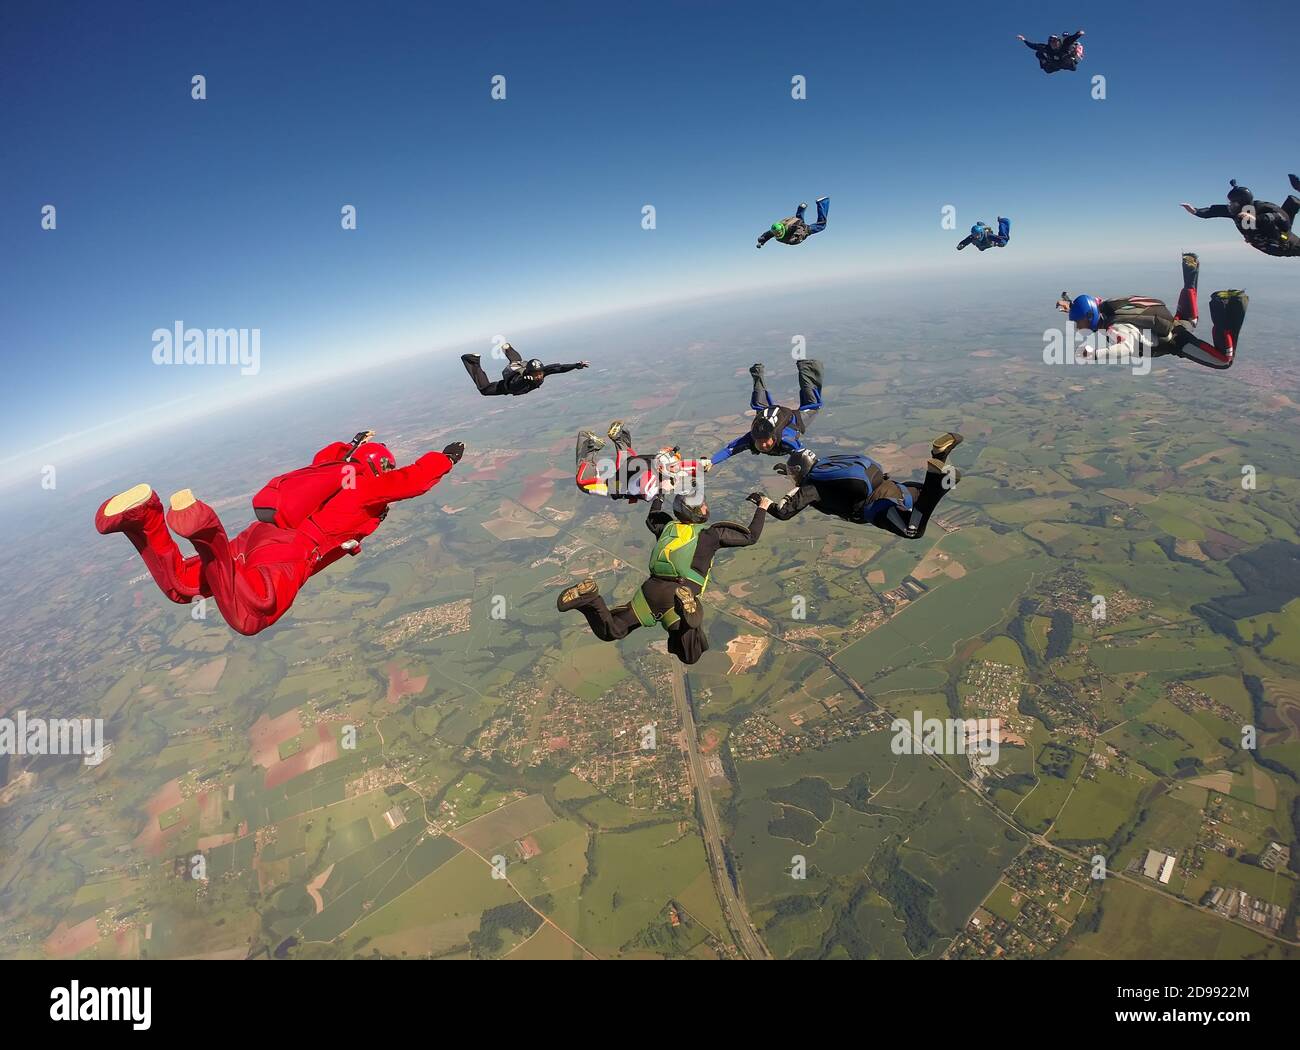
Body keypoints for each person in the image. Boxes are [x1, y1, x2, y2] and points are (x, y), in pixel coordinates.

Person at [94, 439, 465, 635]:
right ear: (379, 466)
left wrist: (348, 446)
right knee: (251, 615)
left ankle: (142, 518)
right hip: (291, 549)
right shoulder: (367, 486)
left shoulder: (331, 474)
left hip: (258, 535)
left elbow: (324, 459)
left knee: (182, 586)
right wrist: (444, 460)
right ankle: (205, 530)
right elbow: (411, 480)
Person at [556, 492, 768, 665]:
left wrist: (658, 495)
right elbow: (751, 536)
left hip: (650, 591)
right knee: (690, 654)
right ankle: (688, 613)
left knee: (612, 630)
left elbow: (654, 515)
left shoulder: (666, 528)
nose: (705, 507)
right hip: (678, 593)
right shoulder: (711, 534)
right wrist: (763, 506)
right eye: (702, 505)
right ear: (694, 512)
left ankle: (590, 599)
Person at [1058, 253, 1247, 371]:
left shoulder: (1115, 328)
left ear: (1090, 316)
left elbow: (1126, 348)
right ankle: (1190, 270)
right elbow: (1092, 302)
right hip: (1174, 325)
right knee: (1189, 320)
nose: (1079, 327)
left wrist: (1093, 354)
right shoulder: (1108, 306)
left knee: (1223, 361)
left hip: (1176, 342)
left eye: (1080, 322)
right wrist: (1071, 305)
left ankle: (1226, 305)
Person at [760, 434, 963, 539]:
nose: (793, 479)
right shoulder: (827, 466)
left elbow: (784, 513)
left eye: (793, 474)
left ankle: (938, 478)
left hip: (877, 507)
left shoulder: (812, 487)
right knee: (925, 496)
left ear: (801, 471)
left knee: (913, 531)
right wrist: (786, 468)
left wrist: (765, 504)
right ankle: (940, 459)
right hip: (893, 487)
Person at [702, 359, 824, 472]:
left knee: (813, 406)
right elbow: (730, 450)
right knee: (760, 405)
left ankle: (807, 367)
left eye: (765, 441)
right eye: (759, 442)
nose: (763, 445)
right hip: (766, 413)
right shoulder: (751, 437)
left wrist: (791, 469)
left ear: (773, 437)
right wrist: (712, 462)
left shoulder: (786, 439)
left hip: (793, 420)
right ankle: (757, 372)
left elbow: (805, 456)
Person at [575, 420, 699, 502]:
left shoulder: (659, 464)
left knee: (626, 464)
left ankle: (618, 438)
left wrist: (702, 465)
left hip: (628, 472)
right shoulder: (650, 476)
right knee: (583, 483)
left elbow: (684, 466)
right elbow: (647, 494)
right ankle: (588, 441)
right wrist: (663, 489)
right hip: (617, 486)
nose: (676, 468)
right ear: (662, 468)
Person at [1180, 175, 1300, 258]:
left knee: (1292, 202)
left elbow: (1284, 221)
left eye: (1233, 203)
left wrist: (1257, 220)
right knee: (1292, 202)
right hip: (1267, 246)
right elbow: (1214, 211)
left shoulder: (1261, 207)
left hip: (1283, 242)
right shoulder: (1235, 211)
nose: (1230, 205)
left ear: (1242, 202)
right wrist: (1195, 211)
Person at [461, 342, 589, 396]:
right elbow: (515, 384)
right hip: (508, 381)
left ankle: (507, 348)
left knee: (517, 361)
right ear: (530, 373)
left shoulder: (541, 372)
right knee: (484, 390)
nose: (539, 376)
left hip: (520, 366)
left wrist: (575, 365)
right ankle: (472, 360)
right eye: (536, 374)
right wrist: (525, 380)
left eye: (540, 373)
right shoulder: (521, 378)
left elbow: (558, 368)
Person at [757, 197, 829, 248]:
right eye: (776, 234)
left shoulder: (791, 231)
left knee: (822, 225)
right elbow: (768, 234)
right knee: (799, 219)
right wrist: (762, 240)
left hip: (801, 230)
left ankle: (822, 202)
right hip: (796, 230)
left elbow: (799, 232)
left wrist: (803, 230)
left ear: (783, 229)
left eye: (779, 233)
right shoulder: (775, 232)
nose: (778, 235)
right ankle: (801, 208)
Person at [1017, 29, 1084, 73]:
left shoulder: (1064, 45)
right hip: (1055, 64)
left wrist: (1078, 34)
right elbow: (1033, 46)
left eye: (1055, 42)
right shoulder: (1047, 48)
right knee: (1038, 53)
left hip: (1066, 62)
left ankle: (1071, 59)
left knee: (1068, 59)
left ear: (1058, 42)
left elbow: (1070, 39)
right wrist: (1024, 40)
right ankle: (1046, 63)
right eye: (1051, 42)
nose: (1053, 44)